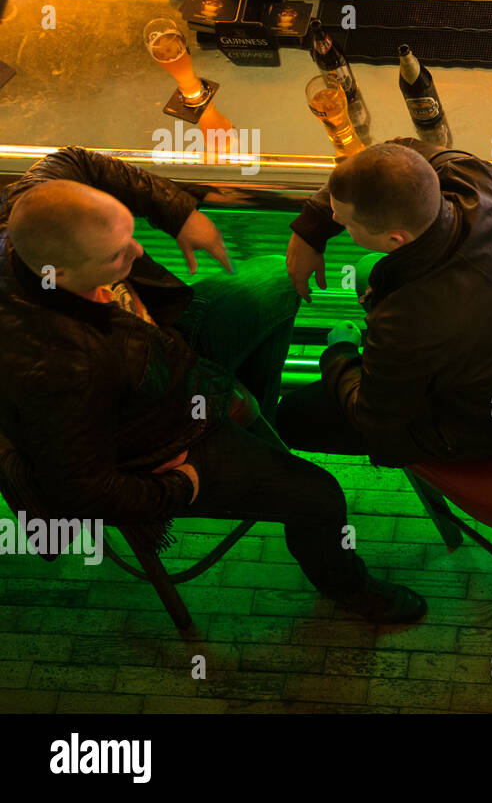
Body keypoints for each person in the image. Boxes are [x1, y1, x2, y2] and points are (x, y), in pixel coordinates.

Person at [0, 147, 425, 623]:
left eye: (131, 234)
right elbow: (80, 488)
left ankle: (258, 420)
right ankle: (349, 589)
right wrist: (177, 489)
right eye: (119, 254)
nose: (139, 251)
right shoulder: (55, 371)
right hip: (160, 432)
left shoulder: (26, 206)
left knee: (281, 281)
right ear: (61, 276)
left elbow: (80, 161)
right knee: (320, 497)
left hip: (171, 347)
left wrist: (180, 214)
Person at [278, 139, 492, 467]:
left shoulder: (405, 319)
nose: (334, 216)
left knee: (292, 415)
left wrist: (340, 355)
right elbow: (397, 150)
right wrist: (312, 226)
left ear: (396, 238)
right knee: (369, 271)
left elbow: (377, 427)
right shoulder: (473, 176)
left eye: (345, 222)